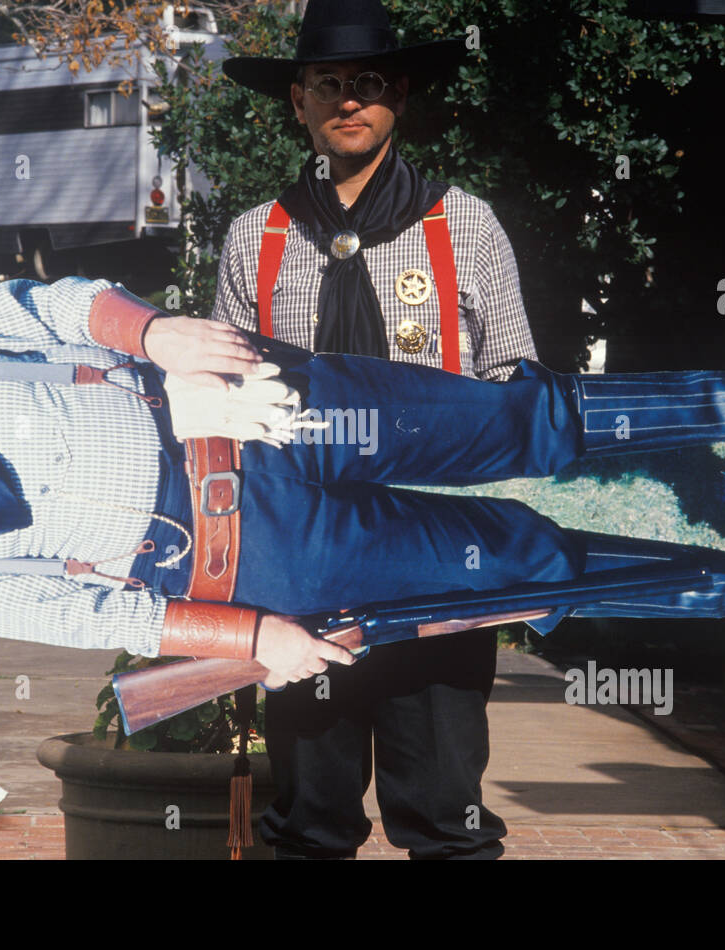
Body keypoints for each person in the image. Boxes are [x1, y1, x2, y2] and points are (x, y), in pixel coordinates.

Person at [0, 277, 725, 690]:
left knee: (508, 419)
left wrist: (154, 334)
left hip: (262, 409)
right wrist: (251, 637)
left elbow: (39, 310)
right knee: (516, 565)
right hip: (255, 555)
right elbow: (97, 617)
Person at [210, 0, 531, 859]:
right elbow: (223, 411)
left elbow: (518, 392)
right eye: (329, 83)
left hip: (438, 563)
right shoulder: (254, 239)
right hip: (305, 569)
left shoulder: (465, 225)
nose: (349, 101)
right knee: (310, 819)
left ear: (400, 96)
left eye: (369, 83)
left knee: (443, 813)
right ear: (299, 101)